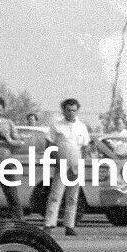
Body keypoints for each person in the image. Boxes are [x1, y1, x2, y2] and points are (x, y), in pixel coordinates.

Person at [43, 98, 91, 236]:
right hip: (61, 165)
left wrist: (81, 162)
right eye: (68, 110)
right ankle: (49, 224)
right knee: (56, 195)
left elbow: (85, 146)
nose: (71, 113)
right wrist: (56, 161)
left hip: (76, 165)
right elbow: (49, 146)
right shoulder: (56, 126)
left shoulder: (81, 126)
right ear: (63, 110)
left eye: (74, 110)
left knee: (73, 197)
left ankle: (69, 226)